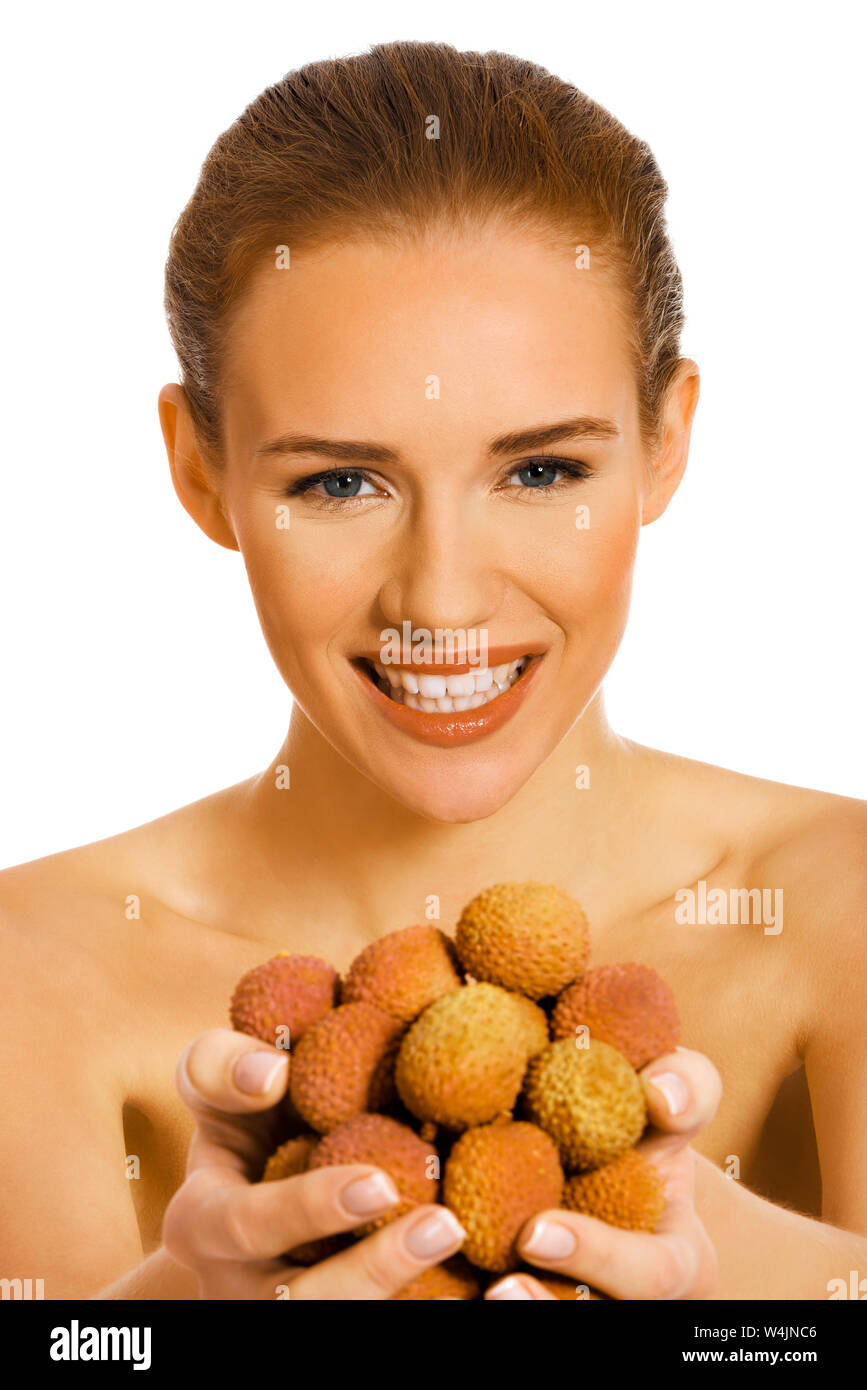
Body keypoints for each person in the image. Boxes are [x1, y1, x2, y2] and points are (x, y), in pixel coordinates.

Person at [2, 40, 864, 1301]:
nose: (442, 597)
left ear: (667, 442)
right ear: (201, 471)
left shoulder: (839, 903)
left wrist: (727, 1270)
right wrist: (174, 1309)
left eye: (542, 471)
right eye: (340, 482)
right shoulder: (34, 970)